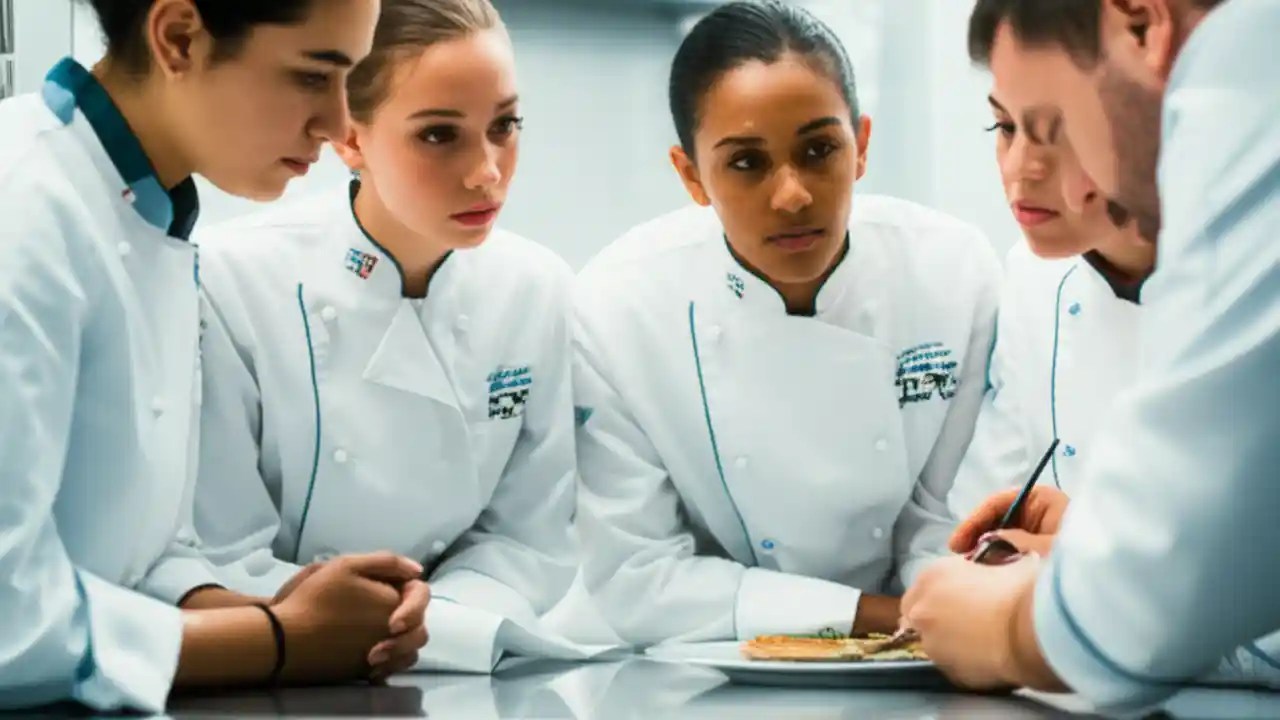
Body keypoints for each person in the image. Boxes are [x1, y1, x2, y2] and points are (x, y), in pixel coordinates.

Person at [0, 0, 431, 713]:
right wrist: (278, 639)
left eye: (348, 79)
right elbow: (8, 618)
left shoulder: (149, 212)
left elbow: (128, 555)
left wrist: (303, 616)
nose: (339, 124)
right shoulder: (23, 208)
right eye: (312, 76)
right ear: (179, 38)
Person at [573, 0, 1000, 647]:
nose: (793, 194)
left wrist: (941, 608)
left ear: (861, 146)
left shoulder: (951, 273)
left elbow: (948, 518)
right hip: (713, 663)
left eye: (819, 149)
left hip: (929, 653)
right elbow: (638, 576)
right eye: (747, 162)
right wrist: (884, 620)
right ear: (690, 175)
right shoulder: (617, 307)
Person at [902, 0, 1280, 711]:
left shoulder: (1252, 86)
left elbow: (1153, 612)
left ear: (1143, 24)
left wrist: (1007, 630)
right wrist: (1092, 541)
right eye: (1005, 127)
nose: (1041, 175)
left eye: (1060, 128)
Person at [191, 0, 579, 673]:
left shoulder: (537, 288)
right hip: (275, 659)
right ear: (349, 138)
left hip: (463, 654)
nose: (487, 169)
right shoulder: (229, 284)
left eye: (505, 125)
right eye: (439, 135)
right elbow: (217, 550)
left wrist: (438, 619)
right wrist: (331, 622)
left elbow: (531, 536)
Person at [946, 88, 1153, 521]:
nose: (1017, 168)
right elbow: (985, 493)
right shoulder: (1034, 271)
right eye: (1005, 128)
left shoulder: (1244, 287)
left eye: (1064, 134)